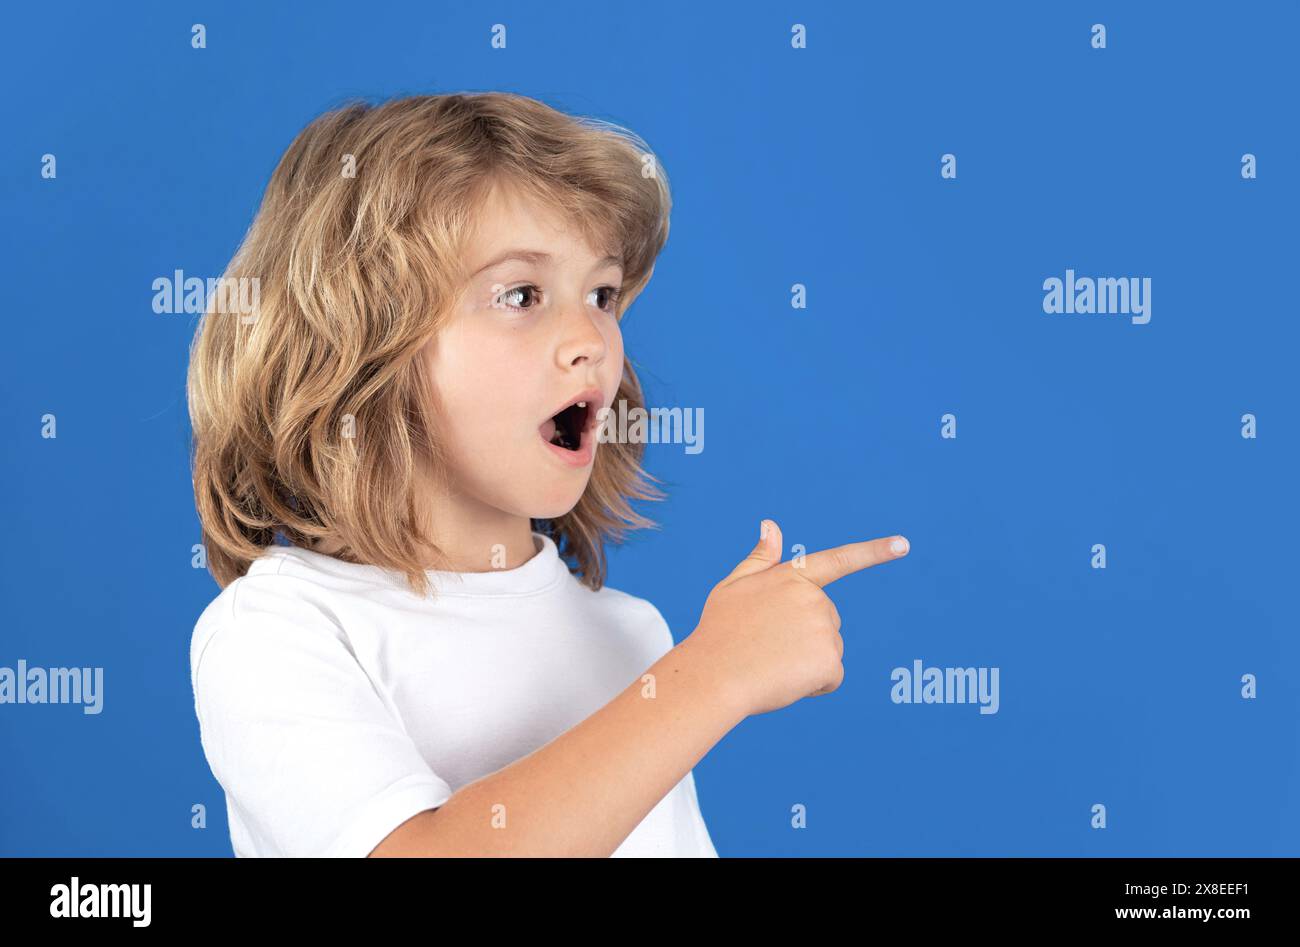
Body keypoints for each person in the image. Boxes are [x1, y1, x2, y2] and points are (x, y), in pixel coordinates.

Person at [186, 91, 910, 857]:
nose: (590, 338)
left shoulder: (630, 636)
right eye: (521, 294)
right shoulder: (283, 629)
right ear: (361, 346)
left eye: (601, 294)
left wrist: (695, 674)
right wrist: (713, 675)